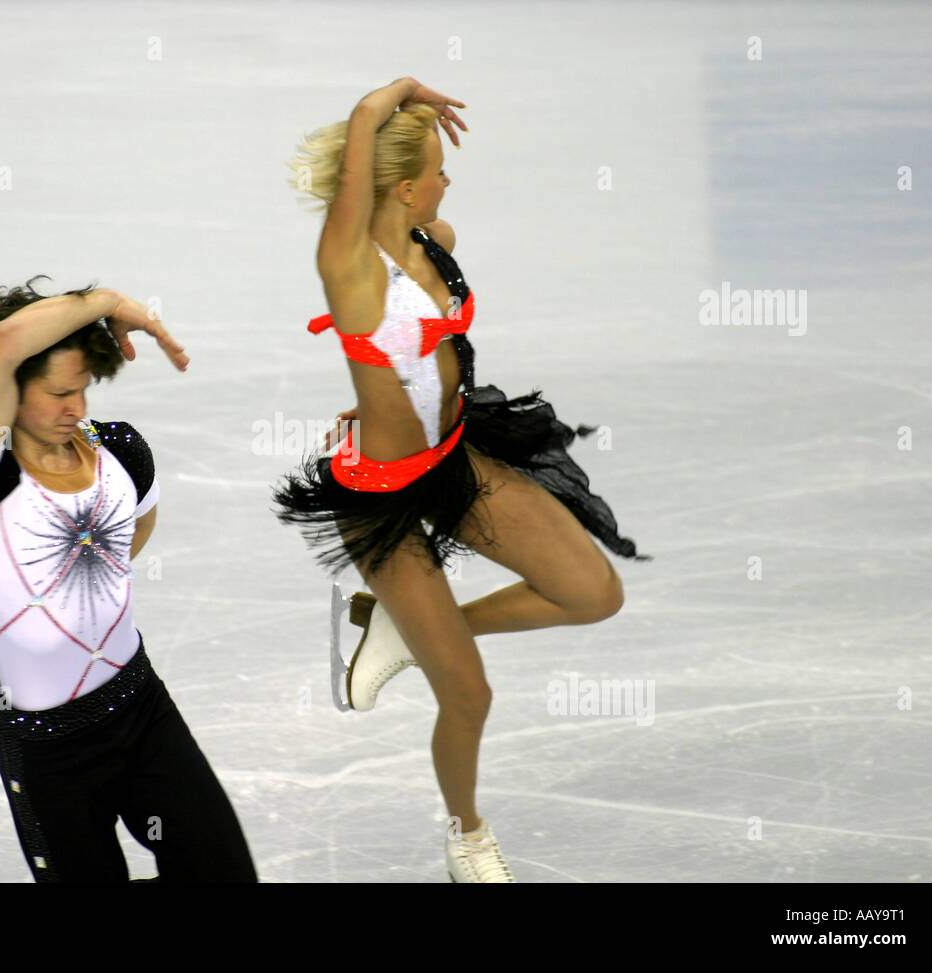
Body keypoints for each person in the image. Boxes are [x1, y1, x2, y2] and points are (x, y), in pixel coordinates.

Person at [273, 78, 650, 883]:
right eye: (438, 170)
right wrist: (395, 94)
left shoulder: (433, 236)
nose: (447, 183)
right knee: (469, 697)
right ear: (401, 184)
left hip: (453, 461)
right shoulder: (350, 267)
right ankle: (467, 836)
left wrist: (386, 389)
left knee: (593, 592)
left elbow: (421, 354)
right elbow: (358, 177)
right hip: (379, 495)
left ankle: (411, 632)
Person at [0, 276, 256, 883]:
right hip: (50, 750)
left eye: (80, 388)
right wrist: (107, 300)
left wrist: (38, 599)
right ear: (2, 392)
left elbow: (133, 524)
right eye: (56, 393)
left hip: (142, 711)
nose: (75, 409)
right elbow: (3, 340)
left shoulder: (118, 450)